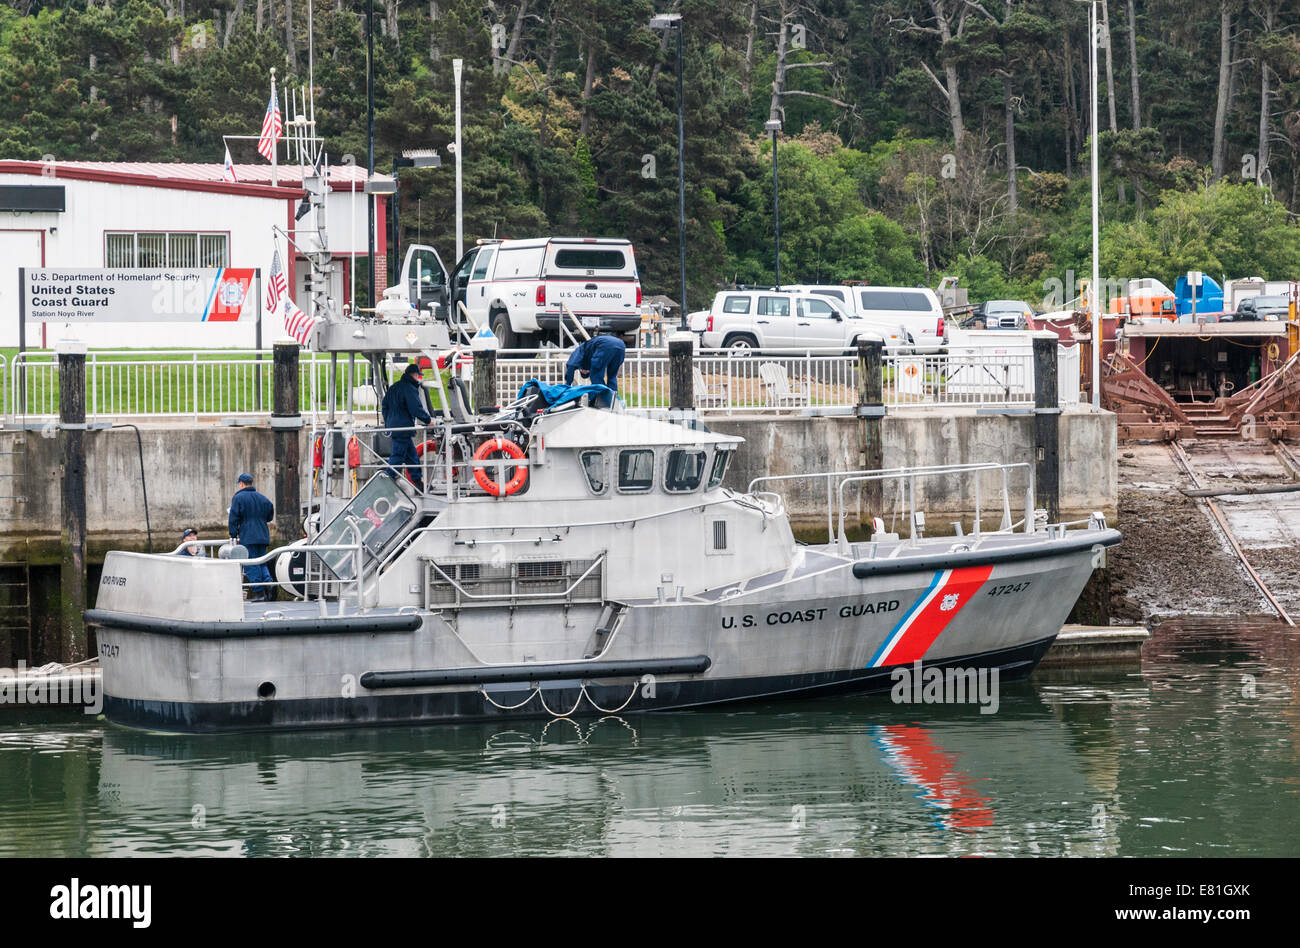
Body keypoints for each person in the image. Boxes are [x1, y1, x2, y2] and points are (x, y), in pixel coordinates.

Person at [382, 362, 433, 489]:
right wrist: (428, 420)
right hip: (404, 427)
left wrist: (388, 423)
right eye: (418, 376)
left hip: (394, 427)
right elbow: (415, 408)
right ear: (414, 375)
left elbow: (384, 406)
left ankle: (418, 483)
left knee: (412, 456)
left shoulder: (394, 387)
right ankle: (386, 483)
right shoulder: (410, 388)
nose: (418, 378)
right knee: (398, 456)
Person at [228, 473, 275, 601]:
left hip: (248, 535)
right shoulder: (262, 498)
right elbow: (270, 514)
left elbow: (233, 518)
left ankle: (259, 592)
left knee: (250, 563)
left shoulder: (238, 498)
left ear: (241, 484)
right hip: (263, 535)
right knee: (261, 562)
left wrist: (233, 534)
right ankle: (269, 584)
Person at [565, 334, 626, 405]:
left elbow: (570, 365)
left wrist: (567, 386)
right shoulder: (589, 353)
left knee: (595, 376)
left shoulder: (581, 349)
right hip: (621, 345)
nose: (586, 371)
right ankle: (614, 401)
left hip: (605, 345)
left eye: (584, 371)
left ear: (580, 369)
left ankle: (603, 400)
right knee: (612, 376)